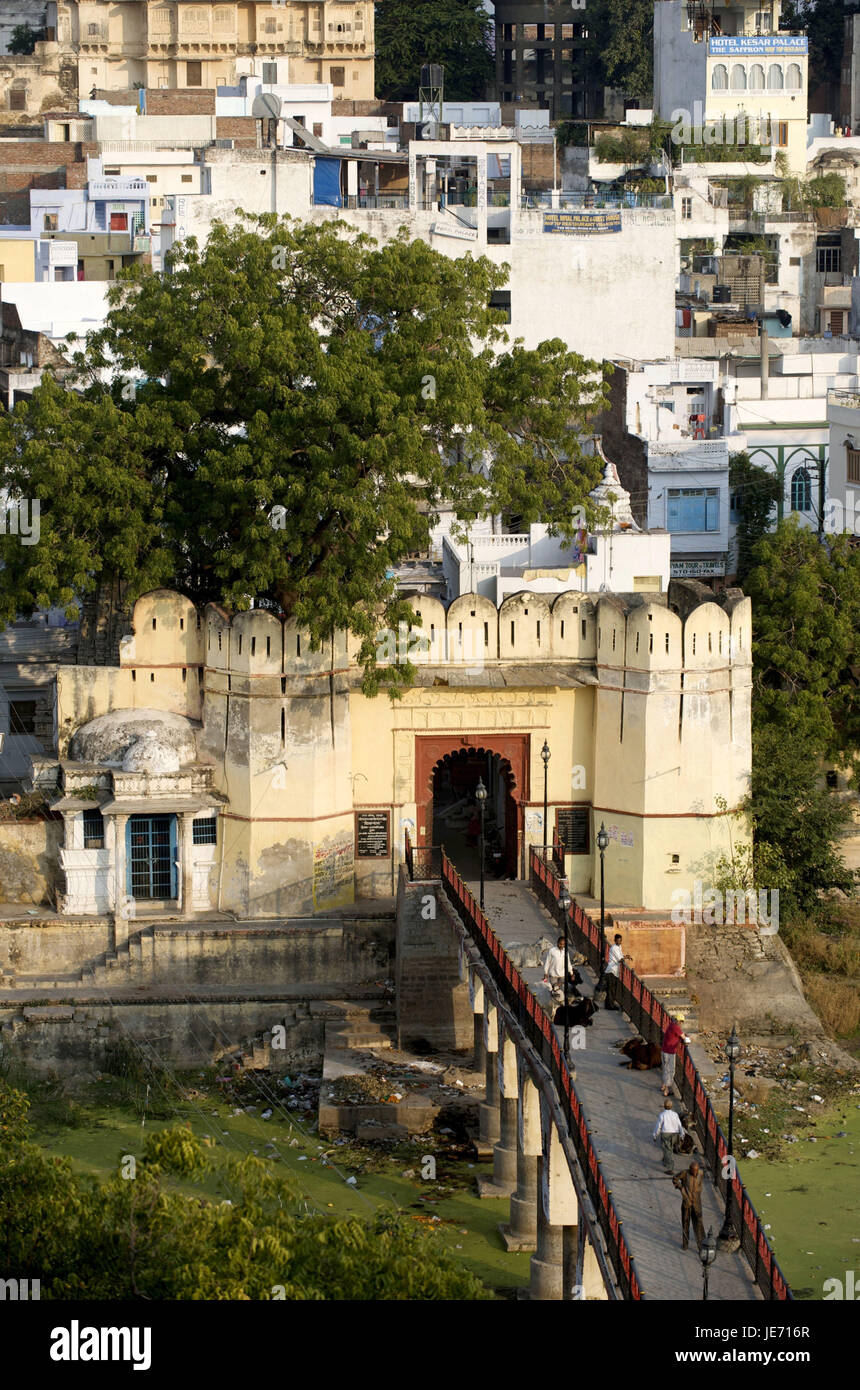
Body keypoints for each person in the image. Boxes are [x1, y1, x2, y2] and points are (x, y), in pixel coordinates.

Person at [673, 1161, 705, 1251]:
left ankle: (701, 1245)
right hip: (686, 1203)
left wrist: (698, 1192)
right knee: (685, 1223)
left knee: (699, 1224)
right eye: (693, 1171)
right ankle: (685, 1244)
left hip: (697, 1203)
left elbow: (700, 1185)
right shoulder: (685, 1173)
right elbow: (675, 1178)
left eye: (696, 1171)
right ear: (690, 1169)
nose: (695, 1173)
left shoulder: (701, 1174)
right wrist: (680, 1188)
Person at [652, 1098, 684, 1174]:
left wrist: (655, 1135)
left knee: (667, 1150)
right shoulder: (675, 1114)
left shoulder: (662, 1115)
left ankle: (670, 1168)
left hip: (666, 1134)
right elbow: (679, 1125)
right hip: (675, 1134)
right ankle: (665, 1160)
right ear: (671, 1106)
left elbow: (658, 1126)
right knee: (670, 1148)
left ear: (664, 1106)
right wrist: (682, 1134)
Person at [543, 935, 575, 1007]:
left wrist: (572, 973)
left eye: (563, 944)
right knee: (556, 991)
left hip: (562, 976)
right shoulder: (552, 951)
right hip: (553, 975)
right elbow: (547, 962)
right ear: (557, 943)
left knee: (564, 992)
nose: (561, 946)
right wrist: (545, 972)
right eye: (560, 944)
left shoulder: (565, 952)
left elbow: (568, 963)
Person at [603, 932, 631, 1011]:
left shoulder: (619, 947)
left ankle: (609, 1004)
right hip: (611, 971)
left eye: (620, 941)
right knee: (611, 989)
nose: (619, 942)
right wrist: (625, 958)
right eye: (618, 941)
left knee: (612, 989)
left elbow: (621, 956)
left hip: (615, 971)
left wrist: (626, 956)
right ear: (615, 940)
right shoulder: (614, 948)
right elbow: (620, 959)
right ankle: (610, 1006)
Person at [660, 1016, 687, 1096]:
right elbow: (684, 1037)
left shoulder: (671, 1025)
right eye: (681, 1022)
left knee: (665, 1068)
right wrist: (686, 1038)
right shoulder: (676, 1027)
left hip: (664, 1050)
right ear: (679, 1021)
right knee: (671, 1070)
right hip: (670, 1052)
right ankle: (666, 1090)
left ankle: (663, 1085)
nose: (682, 1024)